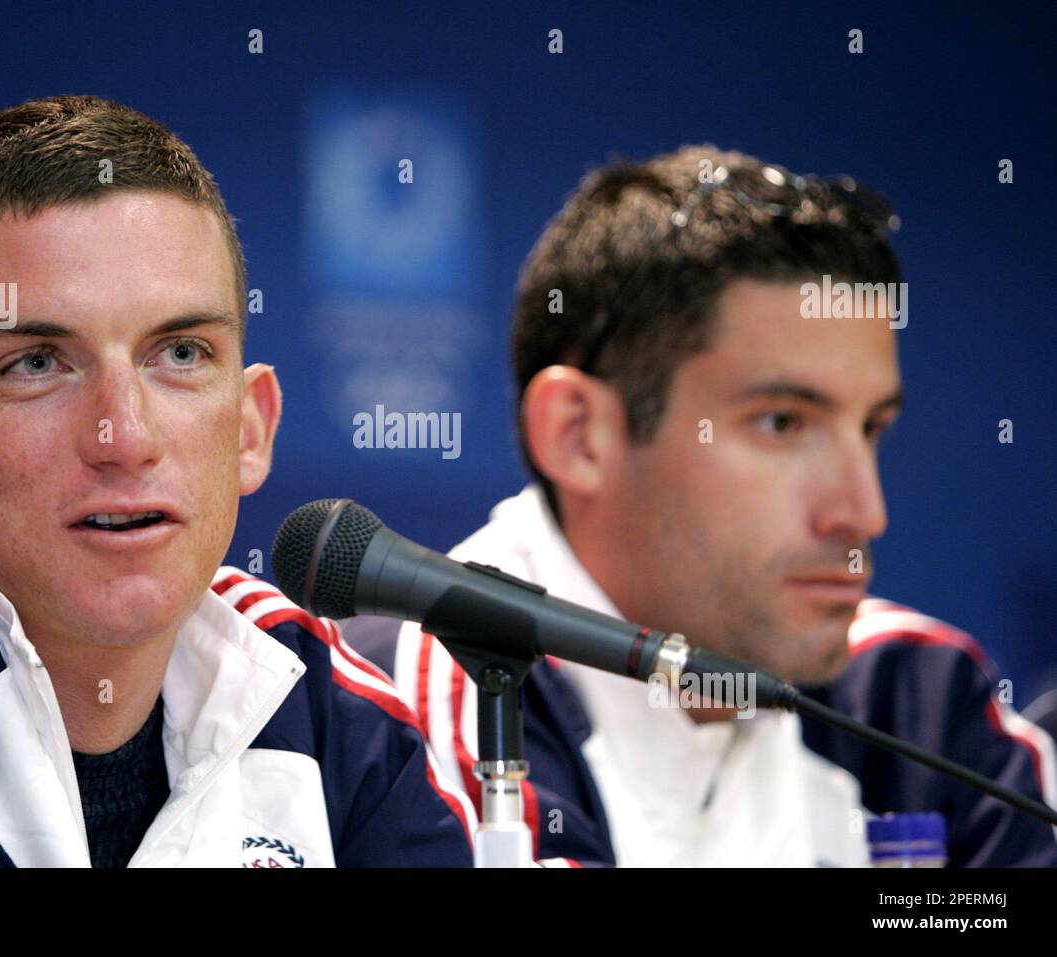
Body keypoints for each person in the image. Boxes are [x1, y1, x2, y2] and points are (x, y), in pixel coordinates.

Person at [0, 95, 475, 868]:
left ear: (252, 425)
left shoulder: (324, 701)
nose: (124, 437)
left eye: (181, 354)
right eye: (36, 363)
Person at [346, 146, 1057, 867]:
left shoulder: (917, 700)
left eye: (871, 428)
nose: (863, 512)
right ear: (578, 434)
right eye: (783, 423)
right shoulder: (414, 703)